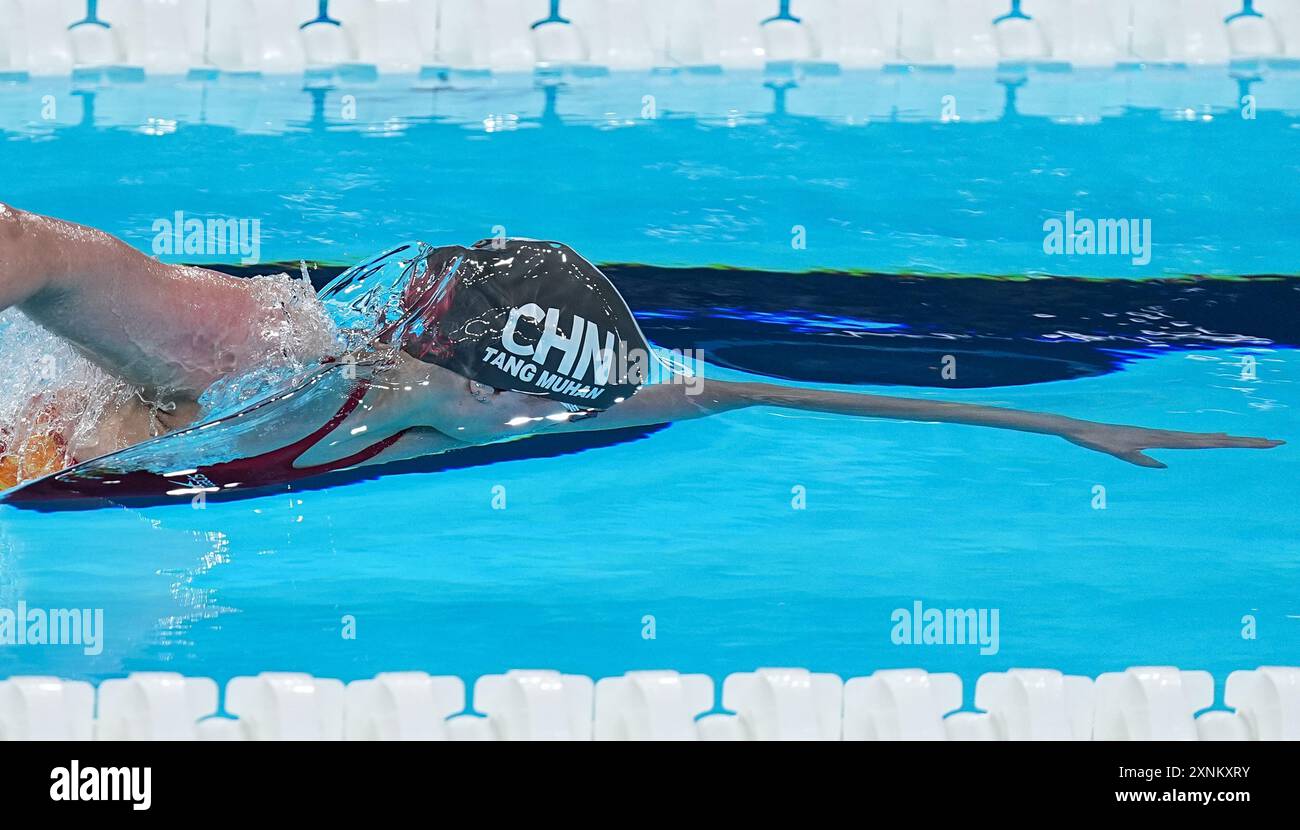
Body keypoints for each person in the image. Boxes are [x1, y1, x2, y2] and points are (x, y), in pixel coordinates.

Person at [0, 203, 1283, 492]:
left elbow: (764, 386)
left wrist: (1068, 419)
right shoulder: (256, 347)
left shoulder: (522, 409)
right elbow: (36, 250)